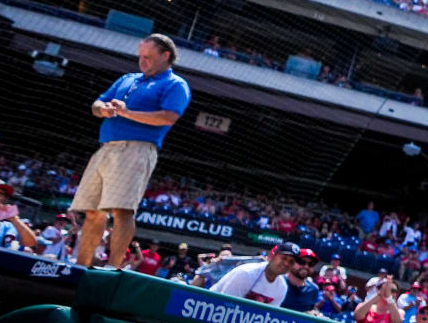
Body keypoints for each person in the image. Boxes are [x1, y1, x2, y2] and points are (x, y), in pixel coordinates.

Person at [75, 34, 191, 268]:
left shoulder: (175, 84)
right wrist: (103, 109)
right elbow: (97, 104)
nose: (142, 61)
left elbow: (168, 117)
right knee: (93, 211)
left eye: (148, 56)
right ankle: (80, 266)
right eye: (140, 56)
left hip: (137, 149)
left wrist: (126, 112)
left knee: (122, 211)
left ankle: (113, 268)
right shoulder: (127, 78)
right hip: (105, 147)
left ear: (165, 55)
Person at [209, 242, 299, 306]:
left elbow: (268, 316)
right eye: (283, 258)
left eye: (291, 262)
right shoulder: (247, 273)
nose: (286, 263)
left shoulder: (282, 287)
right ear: (272, 256)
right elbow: (225, 304)